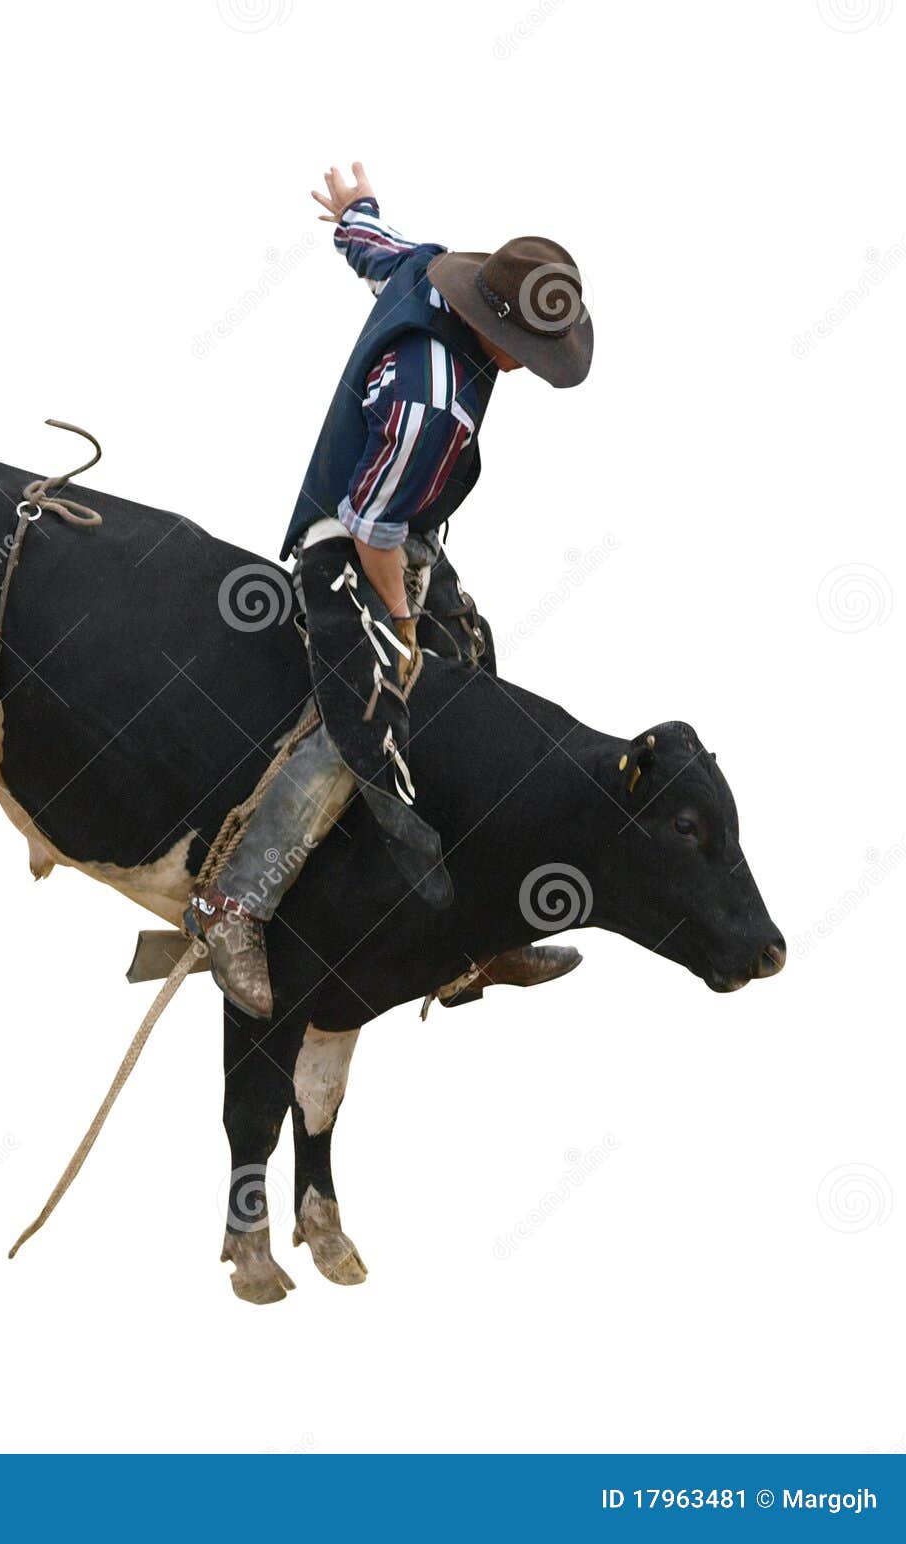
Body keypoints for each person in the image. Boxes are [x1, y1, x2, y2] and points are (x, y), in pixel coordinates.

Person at [187, 162, 593, 1019]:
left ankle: (473, 925)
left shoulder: (433, 270)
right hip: (346, 538)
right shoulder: (431, 400)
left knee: (474, 671)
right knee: (367, 720)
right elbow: (372, 530)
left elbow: (377, 249)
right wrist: (401, 624)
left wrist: (352, 211)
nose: (527, 368)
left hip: (400, 528)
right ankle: (234, 904)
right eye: (530, 353)